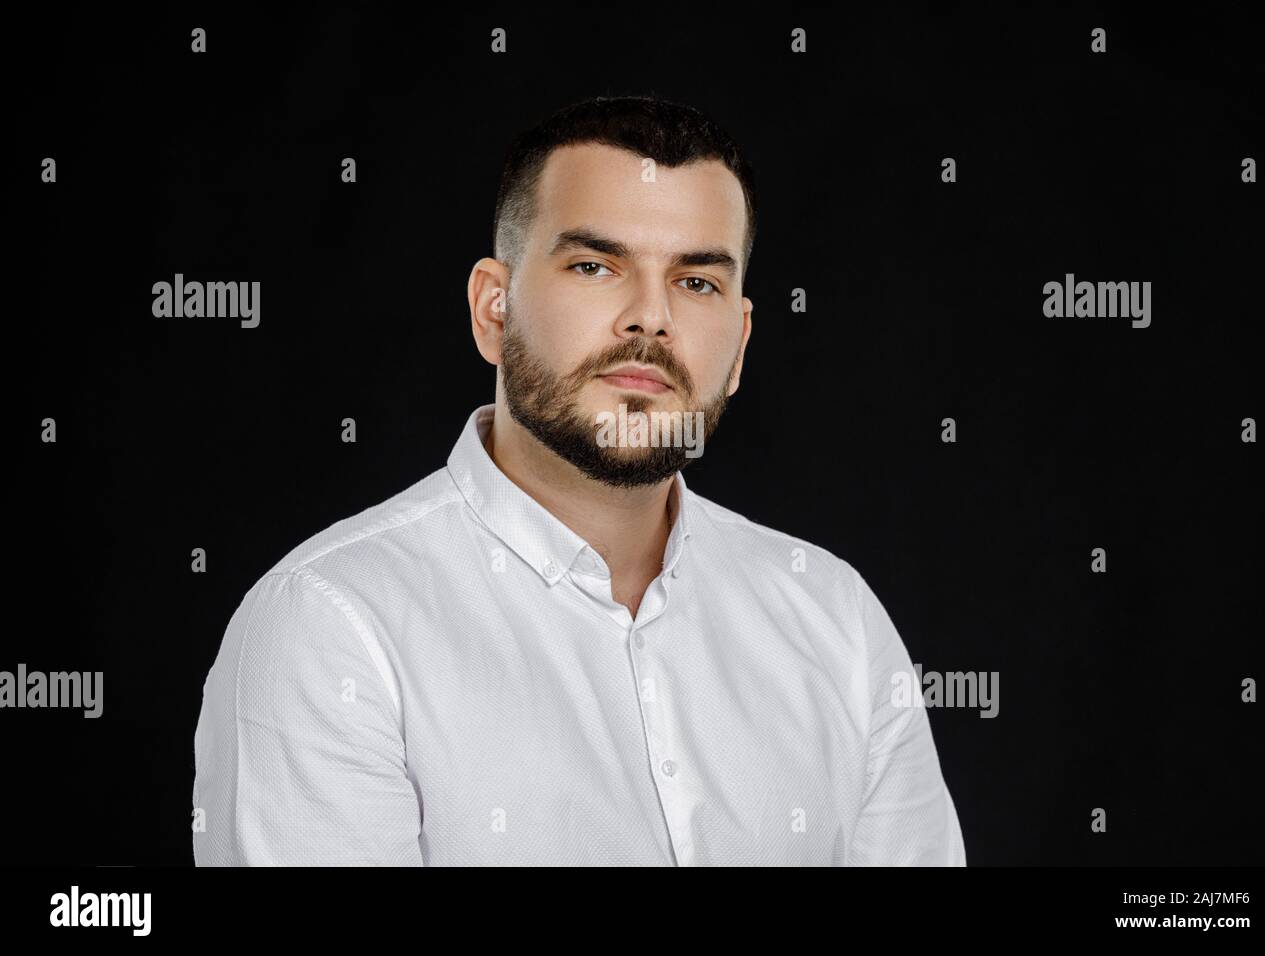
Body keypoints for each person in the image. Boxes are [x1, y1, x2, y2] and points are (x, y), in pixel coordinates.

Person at [192, 94, 966, 866]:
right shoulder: (331, 629)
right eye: (595, 266)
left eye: (697, 282)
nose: (650, 319)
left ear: (738, 347)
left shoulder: (837, 621)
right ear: (494, 310)